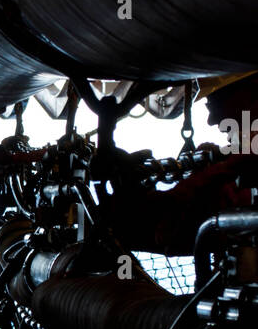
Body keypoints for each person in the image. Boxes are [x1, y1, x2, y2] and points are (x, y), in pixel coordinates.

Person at [105, 70, 258, 255]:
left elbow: (170, 231)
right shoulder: (235, 167)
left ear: (249, 95)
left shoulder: (240, 167)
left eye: (215, 103)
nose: (211, 120)